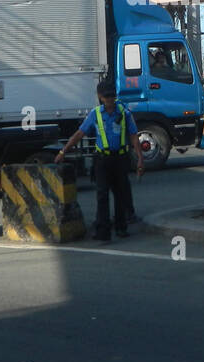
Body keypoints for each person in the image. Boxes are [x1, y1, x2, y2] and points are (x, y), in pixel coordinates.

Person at [55, 80, 144, 242]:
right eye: (107, 96)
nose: (110, 99)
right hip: (102, 160)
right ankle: (103, 231)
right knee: (102, 195)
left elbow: (134, 137)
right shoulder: (95, 114)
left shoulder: (124, 113)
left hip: (120, 158)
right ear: (100, 97)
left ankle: (121, 227)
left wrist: (140, 159)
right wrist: (63, 151)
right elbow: (79, 134)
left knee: (120, 194)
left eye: (112, 96)